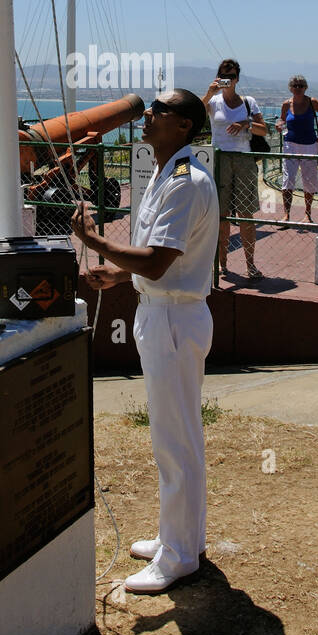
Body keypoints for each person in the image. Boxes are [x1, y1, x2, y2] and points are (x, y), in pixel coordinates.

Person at [71, 89, 219, 595]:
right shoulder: (166, 174)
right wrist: (116, 274)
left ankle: (178, 556)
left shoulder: (184, 182)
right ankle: (181, 538)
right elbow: (155, 261)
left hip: (173, 320)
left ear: (183, 126)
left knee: (173, 441)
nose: (147, 116)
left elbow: (157, 262)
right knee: (179, 436)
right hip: (167, 313)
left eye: (158, 111)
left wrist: (94, 240)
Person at [202, 59, 268, 279]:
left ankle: (250, 264)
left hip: (243, 159)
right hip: (220, 160)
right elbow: (196, 116)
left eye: (230, 76)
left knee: (246, 214)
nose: (227, 80)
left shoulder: (248, 102)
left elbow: (263, 131)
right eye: (223, 76)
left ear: (237, 79)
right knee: (221, 215)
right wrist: (209, 93)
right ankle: (222, 265)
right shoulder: (214, 101)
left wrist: (245, 123)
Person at [275, 75, 318, 222]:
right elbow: (282, 121)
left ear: (305, 87)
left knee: (309, 180)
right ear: (290, 88)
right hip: (290, 145)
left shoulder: (312, 102)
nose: (297, 88)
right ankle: (286, 214)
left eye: (300, 85)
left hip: (310, 145)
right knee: (288, 179)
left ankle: (307, 213)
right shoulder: (286, 105)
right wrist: (279, 126)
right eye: (295, 86)